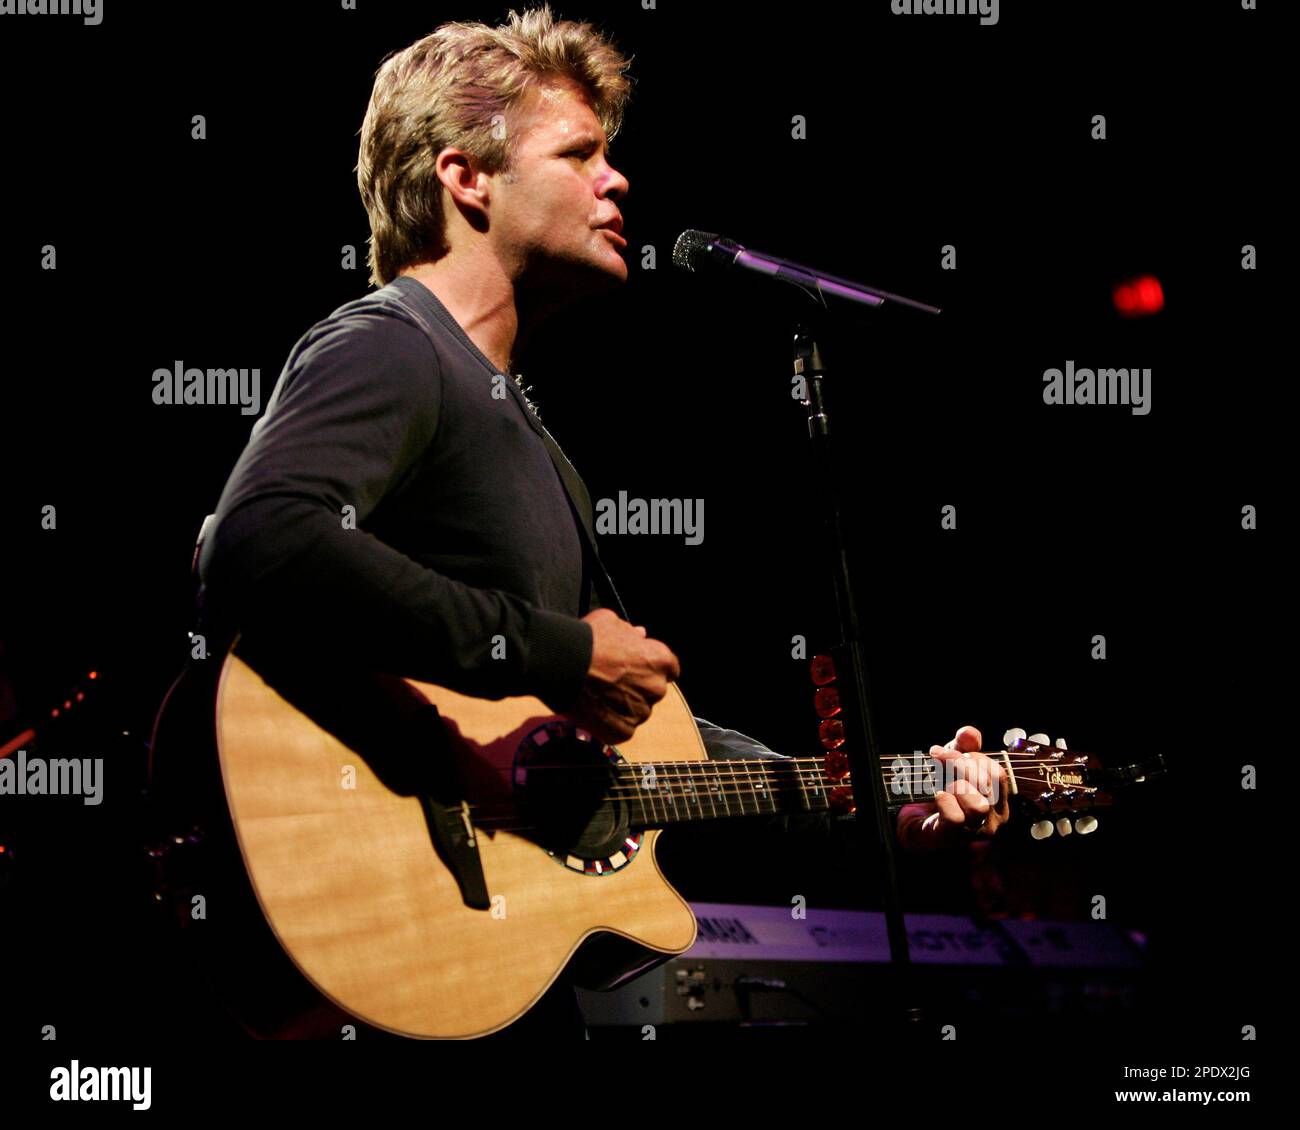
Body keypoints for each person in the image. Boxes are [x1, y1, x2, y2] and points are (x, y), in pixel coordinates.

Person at [196, 5, 1008, 1040]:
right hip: (407, 934)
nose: (616, 180)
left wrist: (888, 799)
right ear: (466, 178)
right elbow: (255, 542)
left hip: (504, 977)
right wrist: (558, 648)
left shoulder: (526, 433)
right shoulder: (391, 344)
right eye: (578, 152)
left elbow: (647, 739)